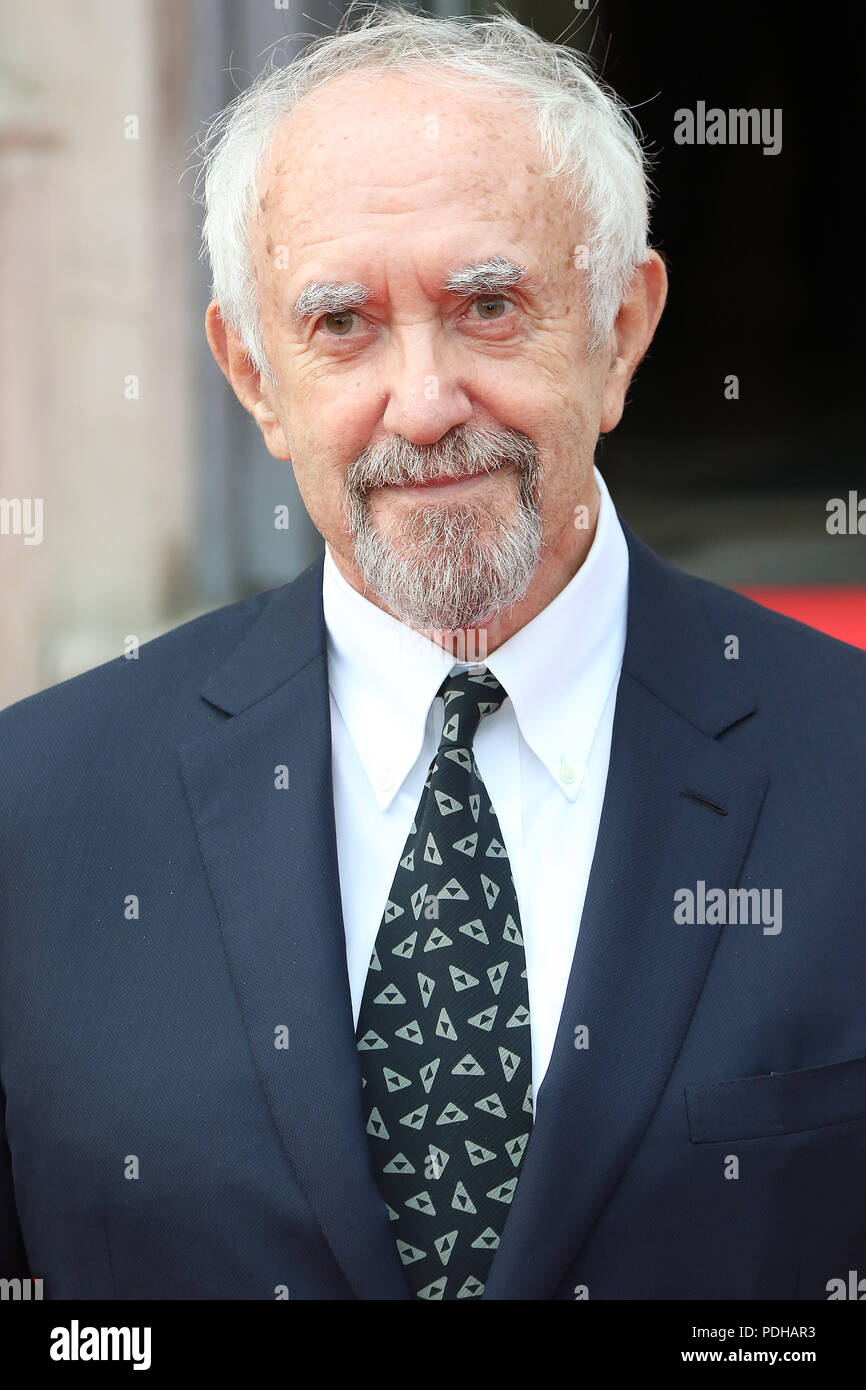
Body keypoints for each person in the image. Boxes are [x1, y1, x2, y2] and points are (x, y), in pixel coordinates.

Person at [1, 4, 864, 1301]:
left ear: (620, 328)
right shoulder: (35, 811)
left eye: (488, 304)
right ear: (251, 375)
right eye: (341, 323)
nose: (422, 403)